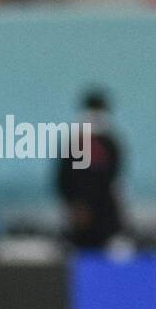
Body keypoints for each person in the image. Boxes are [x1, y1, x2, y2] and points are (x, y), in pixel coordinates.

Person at [55, 88, 125, 249]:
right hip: (77, 214)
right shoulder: (73, 142)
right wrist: (75, 205)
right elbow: (63, 177)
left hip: (105, 213)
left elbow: (114, 177)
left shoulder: (111, 143)